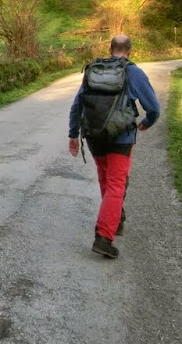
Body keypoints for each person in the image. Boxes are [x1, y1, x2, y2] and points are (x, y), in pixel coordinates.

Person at [68, 34, 160, 259]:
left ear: (110, 50)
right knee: (116, 184)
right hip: (121, 137)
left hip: (94, 135)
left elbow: (77, 104)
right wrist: (147, 122)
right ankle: (104, 237)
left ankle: (115, 219)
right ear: (130, 51)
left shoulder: (94, 70)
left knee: (105, 179)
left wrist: (73, 134)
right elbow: (154, 108)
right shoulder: (134, 72)